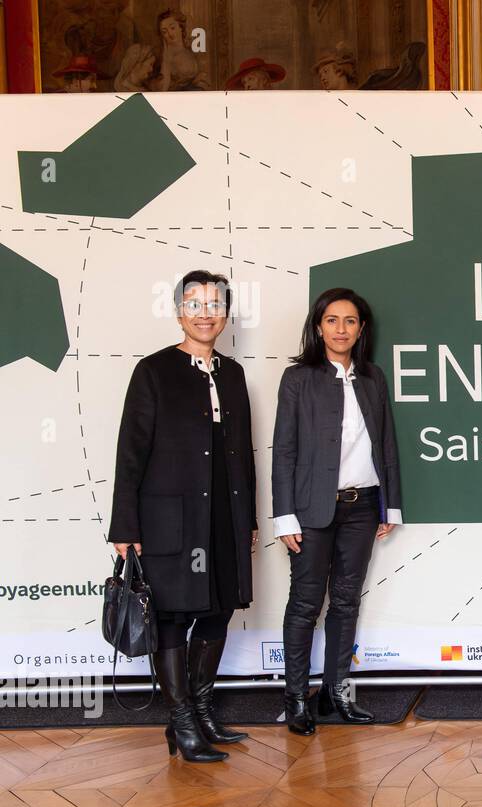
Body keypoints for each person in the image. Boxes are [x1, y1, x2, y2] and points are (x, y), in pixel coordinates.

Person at [108, 271, 256, 762]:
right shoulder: (153, 371)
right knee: (171, 615)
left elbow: (243, 455)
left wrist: (248, 519)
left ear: (225, 314)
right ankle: (181, 722)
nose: (206, 312)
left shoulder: (232, 374)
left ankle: (204, 709)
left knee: (219, 606)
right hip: (169, 517)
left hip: (223, 514)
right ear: (179, 312)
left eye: (215, 304)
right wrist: (125, 526)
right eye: (195, 304)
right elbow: (130, 453)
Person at [272, 289, 403, 735]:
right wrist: (284, 515)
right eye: (332, 320)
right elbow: (284, 451)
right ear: (318, 327)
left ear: (361, 329)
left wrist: (391, 504)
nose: (341, 329)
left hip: (363, 505)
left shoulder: (373, 377)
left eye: (350, 321)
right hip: (311, 508)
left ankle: (336, 694)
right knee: (306, 604)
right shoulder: (297, 379)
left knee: (346, 603)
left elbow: (386, 442)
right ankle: (295, 700)